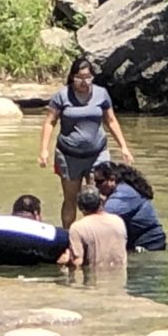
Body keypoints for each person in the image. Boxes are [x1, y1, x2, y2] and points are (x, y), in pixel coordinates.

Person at [38, 56, 134, 229]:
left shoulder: (101, 94)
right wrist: (44, 149)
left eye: (88, 77)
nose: (84, 82)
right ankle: (68, 235)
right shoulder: (62, 96)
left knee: (97, 197)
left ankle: (95, 233)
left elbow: (111, 120)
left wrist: (124, 147)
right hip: (69, 155)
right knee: (71, 199)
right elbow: (50, 122)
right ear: (72, 77)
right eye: (79, 78)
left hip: (98, 153)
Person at [90, 160, 167, 251]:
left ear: (112, 179)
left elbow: (100, 218)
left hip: (149, 242)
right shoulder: (120, 191)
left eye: (99, 182)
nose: (96, 186)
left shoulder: (124, 193)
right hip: (137, 240)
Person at [57, 186, 127, 268]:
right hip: (119, 274)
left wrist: (64, 262)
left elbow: (77, 262)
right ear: (101, 203)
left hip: (94, 275)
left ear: (80, 207)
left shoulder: (78, 228)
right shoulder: (118, 221)